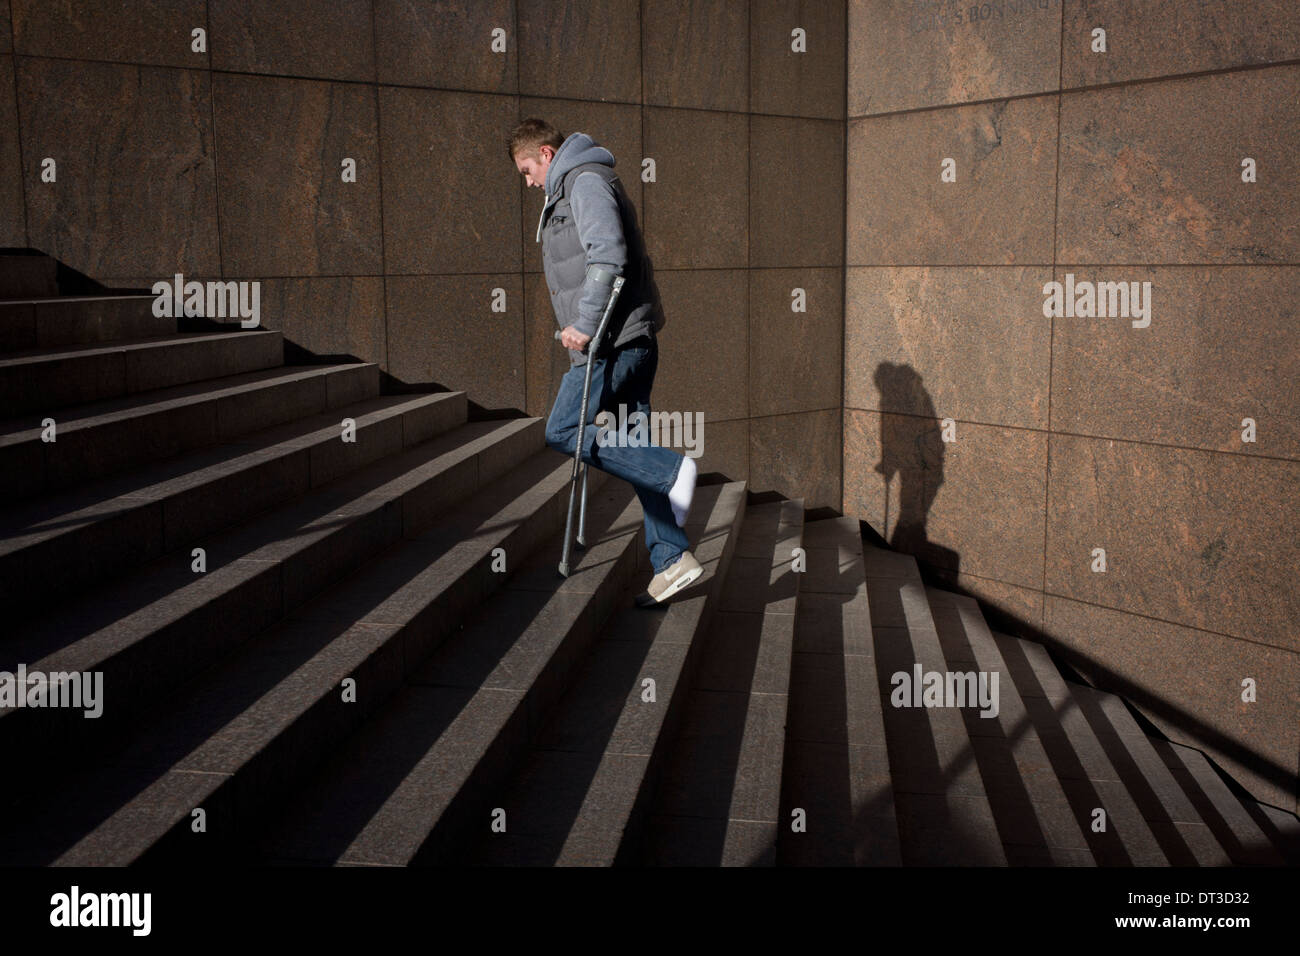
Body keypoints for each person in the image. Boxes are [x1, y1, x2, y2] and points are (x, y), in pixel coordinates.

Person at [508, 118, 701, 607]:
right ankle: (672, 560)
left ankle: (672, 469)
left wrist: (585, 322)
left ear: (547, 155)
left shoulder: (585, 182)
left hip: (609, 343)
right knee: (630, 444)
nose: (529, 182)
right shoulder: (578, 182)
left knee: (562, 430)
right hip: (629, 338)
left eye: (528, 169)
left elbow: (608, 254)